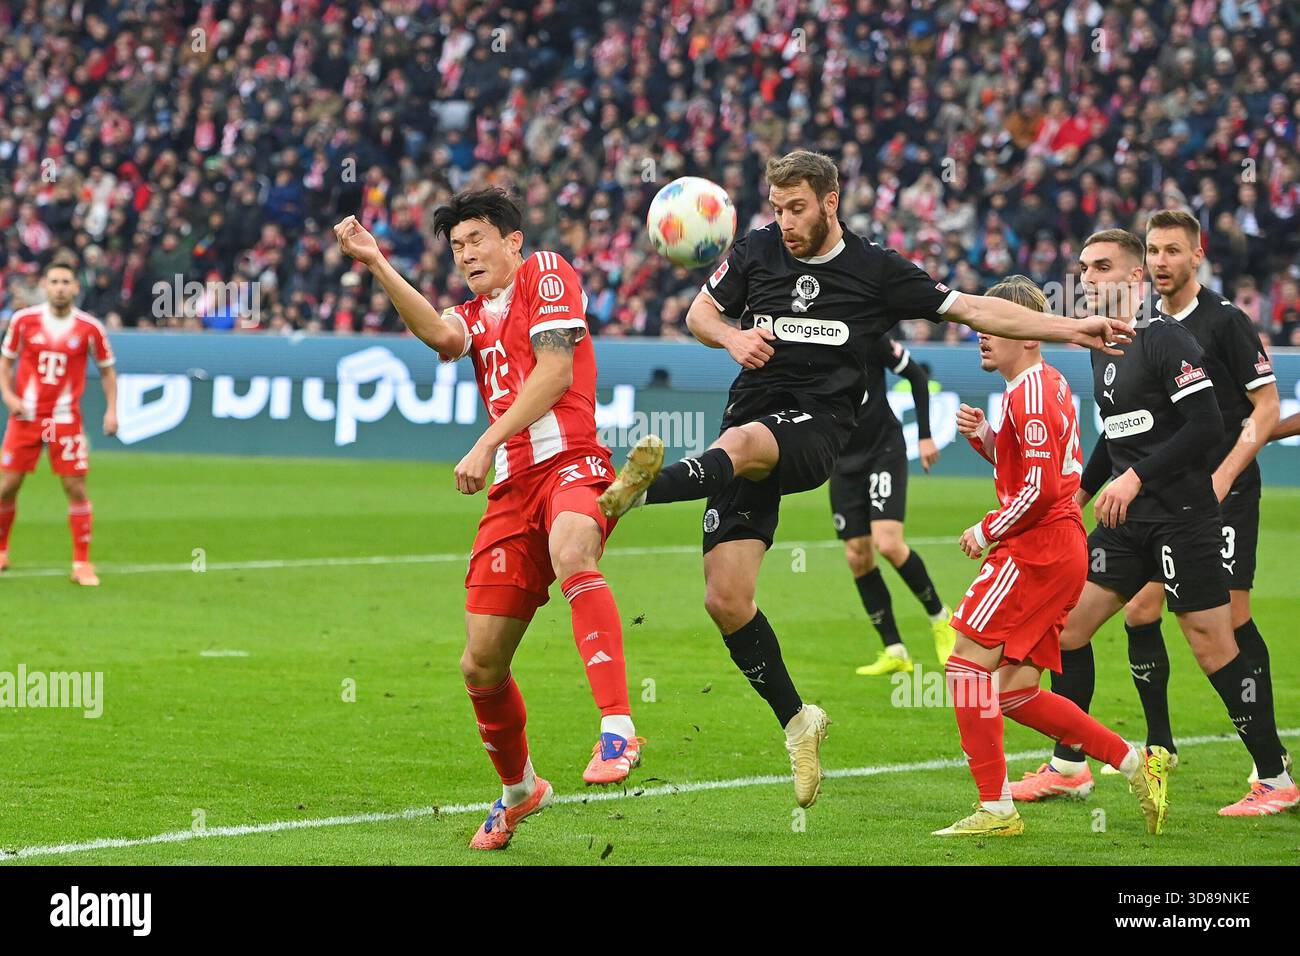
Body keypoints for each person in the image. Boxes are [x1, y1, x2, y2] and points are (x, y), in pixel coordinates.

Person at [598, 150, 1133, 808]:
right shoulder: (756, 252)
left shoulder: (876, 271)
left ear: (830, 201)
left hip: (818, 430)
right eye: (776, 207)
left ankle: (638, 491)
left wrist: (1073, 327)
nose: (785, 221)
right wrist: (734, 340)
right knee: (726, 599)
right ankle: (799, 721)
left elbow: (975, 309)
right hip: (749, 418)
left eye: (797, 208)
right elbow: (699, 317)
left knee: (738, 445)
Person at [334, 187, 656, 851]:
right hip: (511, 492)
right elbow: (441, 336)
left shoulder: (547, 272)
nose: (466, 254)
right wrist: (376, 262)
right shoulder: (475, 316)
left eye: (476, 239)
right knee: (480, 665)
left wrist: (485, 441)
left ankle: (618, 725)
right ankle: (520, 789)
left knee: (574, 549)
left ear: (513, 240)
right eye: (456, 247)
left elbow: (557, 371)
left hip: (569, 459)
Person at [1010, 229, 1296, 816]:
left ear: (1134, 279)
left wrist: (1137, 479)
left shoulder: (1168, 339)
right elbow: (1114, 434)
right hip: (1126, 522)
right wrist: (1079, 496)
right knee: (1066, 629)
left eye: (1103, 267)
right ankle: (1069, 765)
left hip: (1183, 516)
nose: (1088, 278)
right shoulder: (1099, 343)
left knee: (1213, 644)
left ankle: (1275, 777)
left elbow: (1206, 426)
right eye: (1084, 268)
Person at [936, 275, 1167, 837]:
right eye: (978, 326)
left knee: (965, 665)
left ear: (1029, 334)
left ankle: (995, 809)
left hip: (1036, 547)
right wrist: (988, 440)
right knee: (1014, 691)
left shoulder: (1035, 391)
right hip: (1058, 547)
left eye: (992, 325)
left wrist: (987, 528)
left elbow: (1040, 489)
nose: (981, 336)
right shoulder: (1042, 387)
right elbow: (1039, 469)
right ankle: (1135, 763)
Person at [1101, 210, 1287, 785]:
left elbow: (1267, 407)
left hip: (1222, 490)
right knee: (1139, 608)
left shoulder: (1225, 322)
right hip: (1172, 491)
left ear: (1197, 254)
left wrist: (1227, 473)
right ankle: (1161, 743)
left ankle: (1271, 761)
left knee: (1227, 617)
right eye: (1153, 251)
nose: (1161, 261)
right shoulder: (1149, 330)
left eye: (1172, 251)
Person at [828, 334, 956, 676]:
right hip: (842, 461)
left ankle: (941, 619)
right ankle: (895, 650)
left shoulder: (867, 335)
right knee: (857, 554)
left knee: (887, 542)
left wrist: (925, 434)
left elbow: (916, 375)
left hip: (883, 450)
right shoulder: (804, 345)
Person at [0, 258, 118, 586]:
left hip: (63, 420)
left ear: (76, 287)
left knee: (75, 486)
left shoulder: (90, 328)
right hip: (26, 417)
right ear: (45, 286)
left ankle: (82, 563)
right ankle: (1, 550)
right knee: (7, 486)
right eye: (54, 281)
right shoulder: (24, 321)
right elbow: (4, 364)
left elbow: (107, 371)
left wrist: (112, 410)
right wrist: (9, 398)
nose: (60, 287)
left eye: (66, 282)